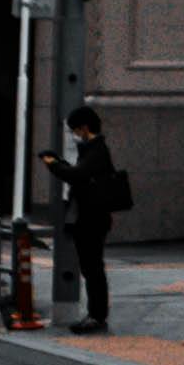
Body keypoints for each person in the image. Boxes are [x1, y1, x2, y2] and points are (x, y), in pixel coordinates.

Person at [60, 102, 128, 333]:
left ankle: (97, 316)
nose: (74, 135)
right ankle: (96, 314)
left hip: (92, 218)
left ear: (85, 127)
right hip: (93, 217)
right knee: (91, 267)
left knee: (92, 268)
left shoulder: (96, 150)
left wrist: (54, 166)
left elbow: (78, 175)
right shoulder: (93, 150)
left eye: (75, 130)